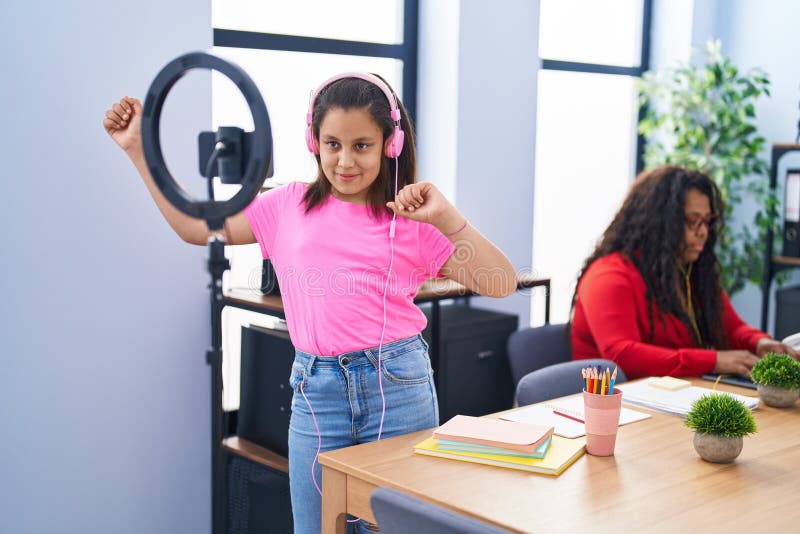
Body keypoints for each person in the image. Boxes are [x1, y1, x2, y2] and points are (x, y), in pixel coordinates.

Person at [103, 72, 516, 533]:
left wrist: (446, 216)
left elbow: (500, 281)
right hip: (317, 393)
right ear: (313, 141)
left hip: (398, 387)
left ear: (390, 144)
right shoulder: (286, 205)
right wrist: (139, 151)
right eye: (332, 143)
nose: (345, 161)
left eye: (362, 145)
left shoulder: (411, 217)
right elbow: (195, 228)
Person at [570, 165, 799, 380]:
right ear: (659, 222)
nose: (703, 233)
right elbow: (622, 355)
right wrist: (712, 360)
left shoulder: (688, 271)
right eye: (693, 221)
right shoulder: (608, 275)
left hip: (669, 397)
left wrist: (758, 343)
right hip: (612, 408)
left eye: (707, 221)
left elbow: (731, 327)